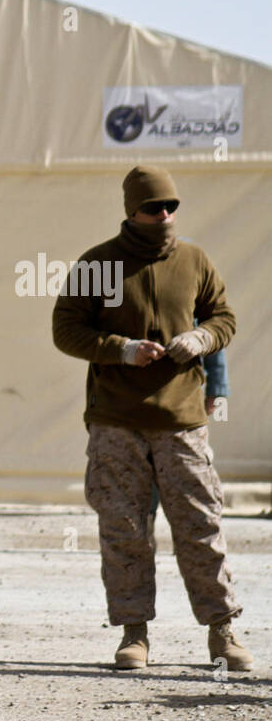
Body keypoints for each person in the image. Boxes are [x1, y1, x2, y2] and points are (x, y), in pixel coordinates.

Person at [52, 165, 251, 671]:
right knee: (124, 531)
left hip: (183, 422)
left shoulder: (194, 260)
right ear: (131, 211)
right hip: (117, 422)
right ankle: (133, 634)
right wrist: (120, 350)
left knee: (200, 527)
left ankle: (222, 632)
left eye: (171, 207)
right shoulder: (99, 264)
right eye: (153, 207)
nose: (164, 216)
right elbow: (66, 330)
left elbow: (223, 316)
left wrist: (201, 338)